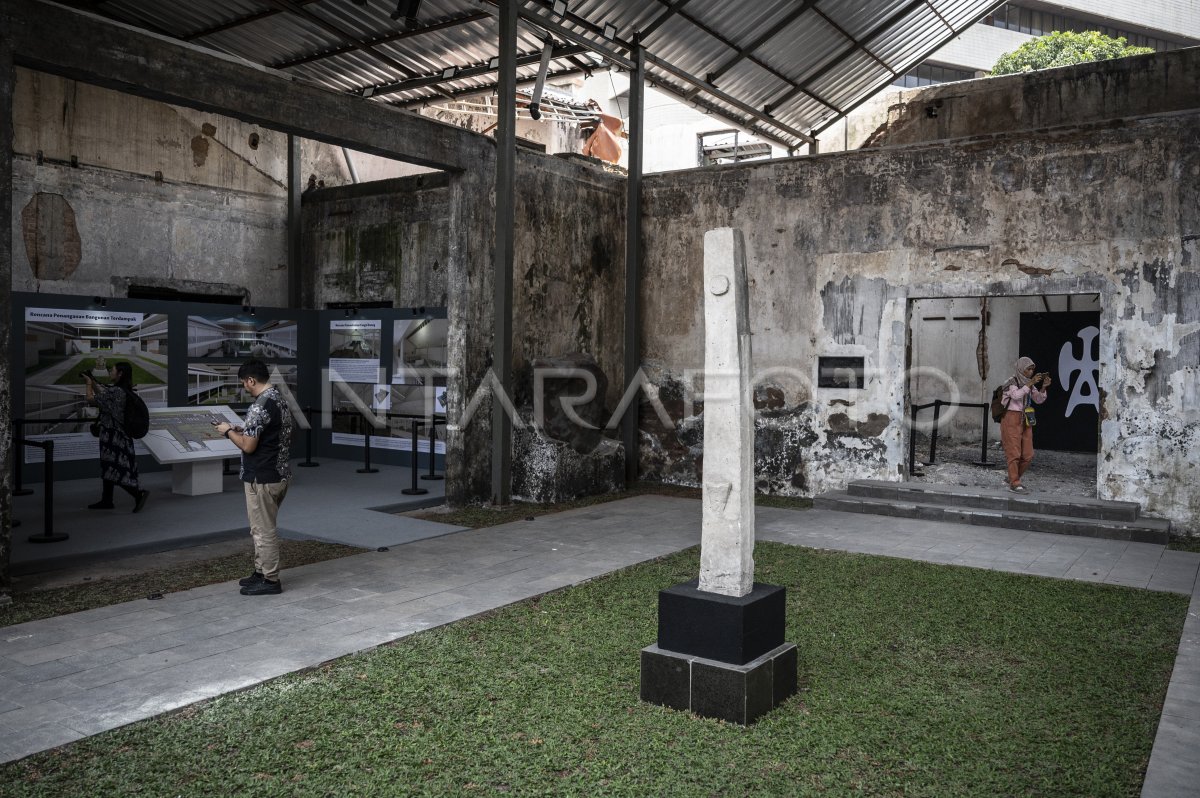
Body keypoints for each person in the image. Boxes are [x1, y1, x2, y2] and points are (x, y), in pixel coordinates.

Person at [214, 359, 293, 596]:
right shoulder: (278, 399)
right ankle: (260, 572)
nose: (245, 388)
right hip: (278, 474)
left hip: (262, 477)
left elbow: (248, 446)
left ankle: (270, 580)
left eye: (244, 384)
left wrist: (228, 431)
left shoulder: (259, 406)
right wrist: (244, 429)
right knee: (260, 527)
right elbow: (266, 433)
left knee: (263, 530)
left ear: (251, 380)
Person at [83, 362, 149, 513]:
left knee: (116, 469)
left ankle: (139, 494)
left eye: (112, 370)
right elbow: (103, 395)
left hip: (114, 437)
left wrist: (88, 384)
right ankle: (107, 500)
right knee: (108, 467)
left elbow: (91, 399)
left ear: (120, 374)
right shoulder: (122, 391)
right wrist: (93, 381)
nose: (110, 372)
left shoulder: (116, 392)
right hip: (120, 436)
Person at [1000, 356, 1051, 493]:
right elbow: (1016, 396)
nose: (1031, 372)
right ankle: (1015, 483)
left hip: (1026, 418)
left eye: (1032, 369)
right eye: (1028, 369)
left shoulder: (1030, 384)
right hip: (1011, 418)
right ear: (1021, 369)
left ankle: (1013, 477)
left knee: (1028, 454)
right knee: (1014, 452)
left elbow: (1038, 400)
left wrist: (1043, 388)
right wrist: (1029, 384)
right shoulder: (1011, 382)